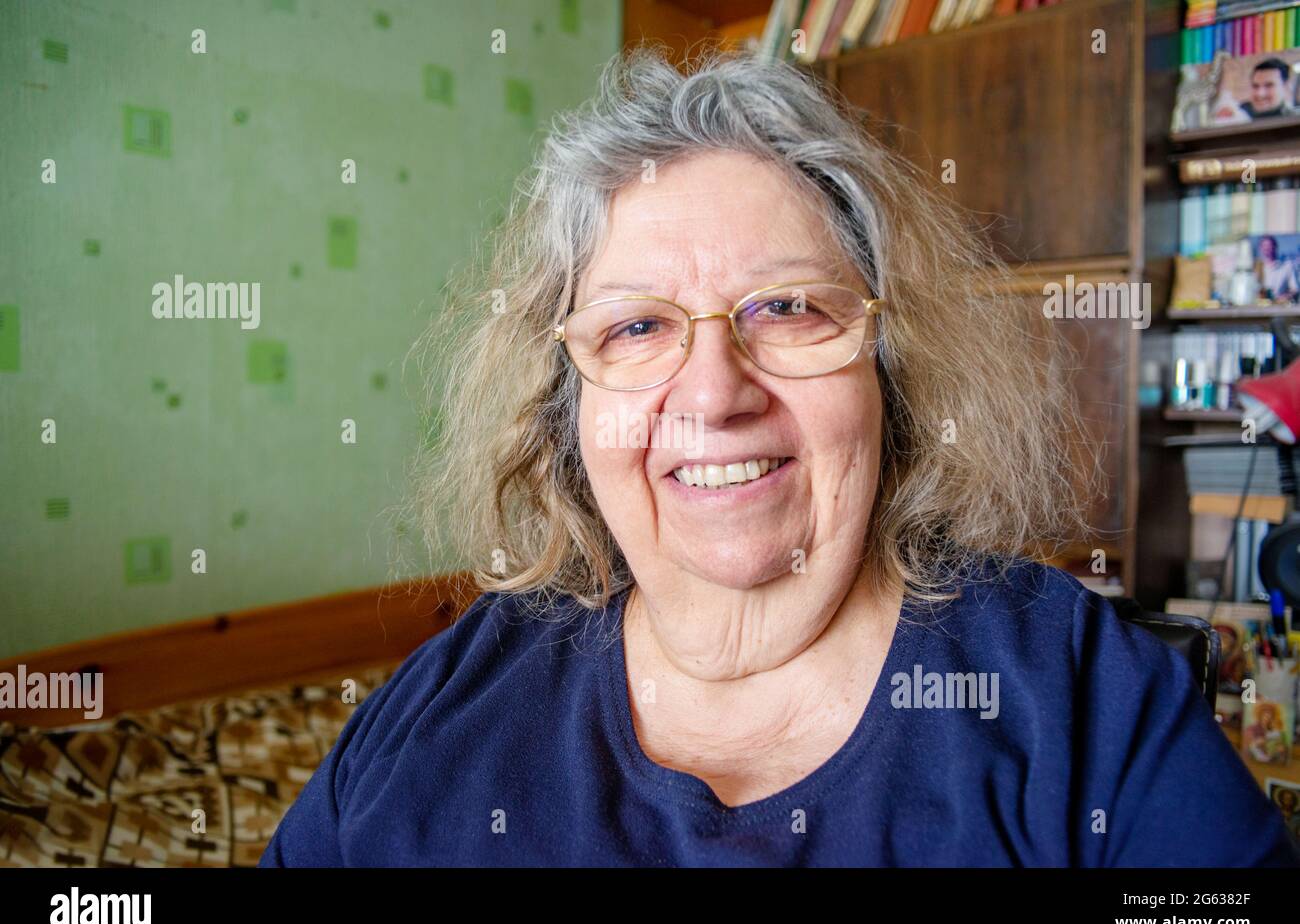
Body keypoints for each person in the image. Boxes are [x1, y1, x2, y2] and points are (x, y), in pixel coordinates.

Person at [260, 49, 1299, 867]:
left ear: (888, 370)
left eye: (789, 308)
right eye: (635, 329)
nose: (714, 393)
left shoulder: (1074, 695)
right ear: (564, 404)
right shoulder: (450, 698)